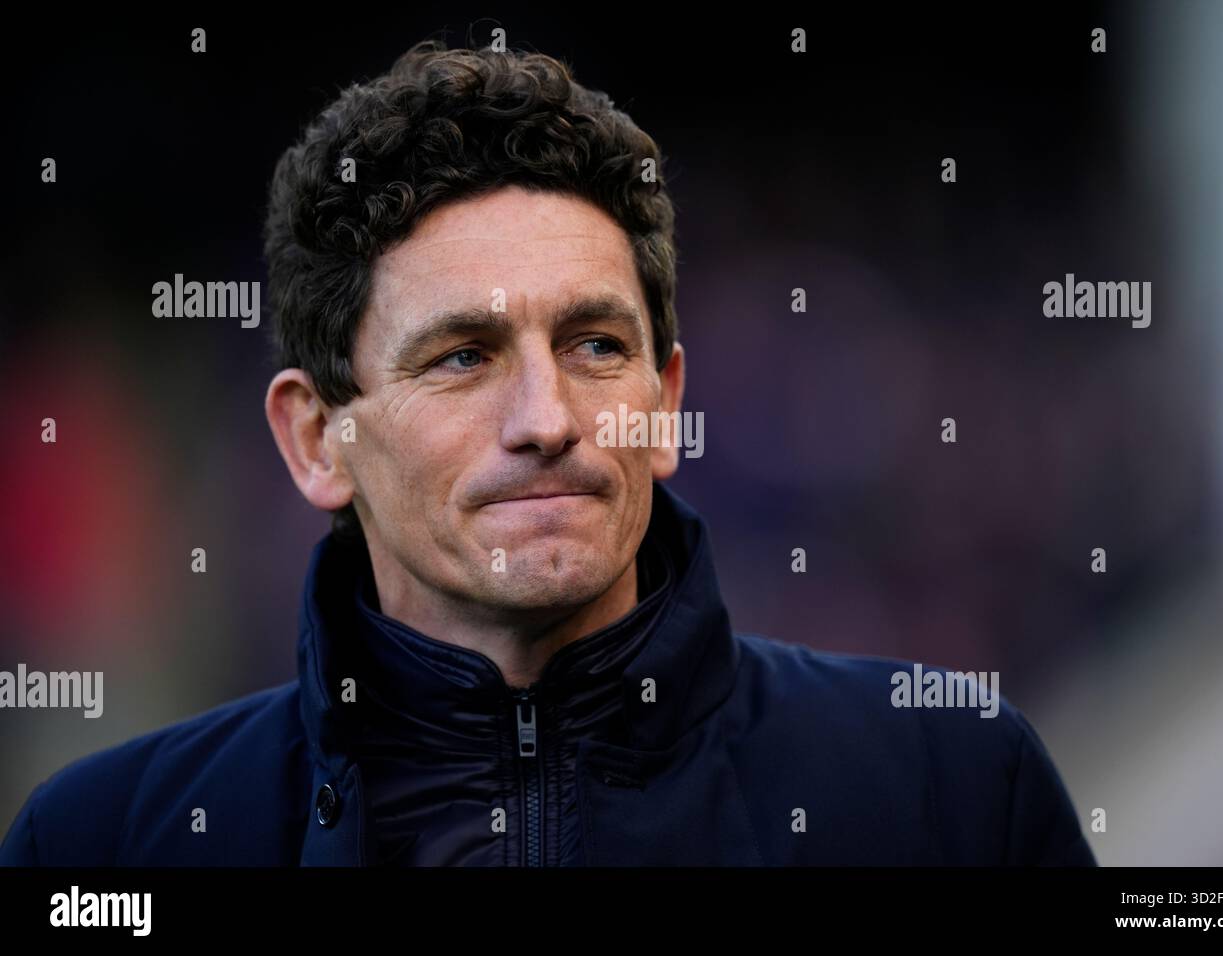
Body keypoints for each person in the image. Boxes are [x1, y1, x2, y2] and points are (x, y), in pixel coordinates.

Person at [0, 39, 1096, 866]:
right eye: (464, 357)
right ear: (315, 437)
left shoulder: (952, 790)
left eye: (594, 344)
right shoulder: (106, 847)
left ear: (663, 406)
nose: (547, 416)